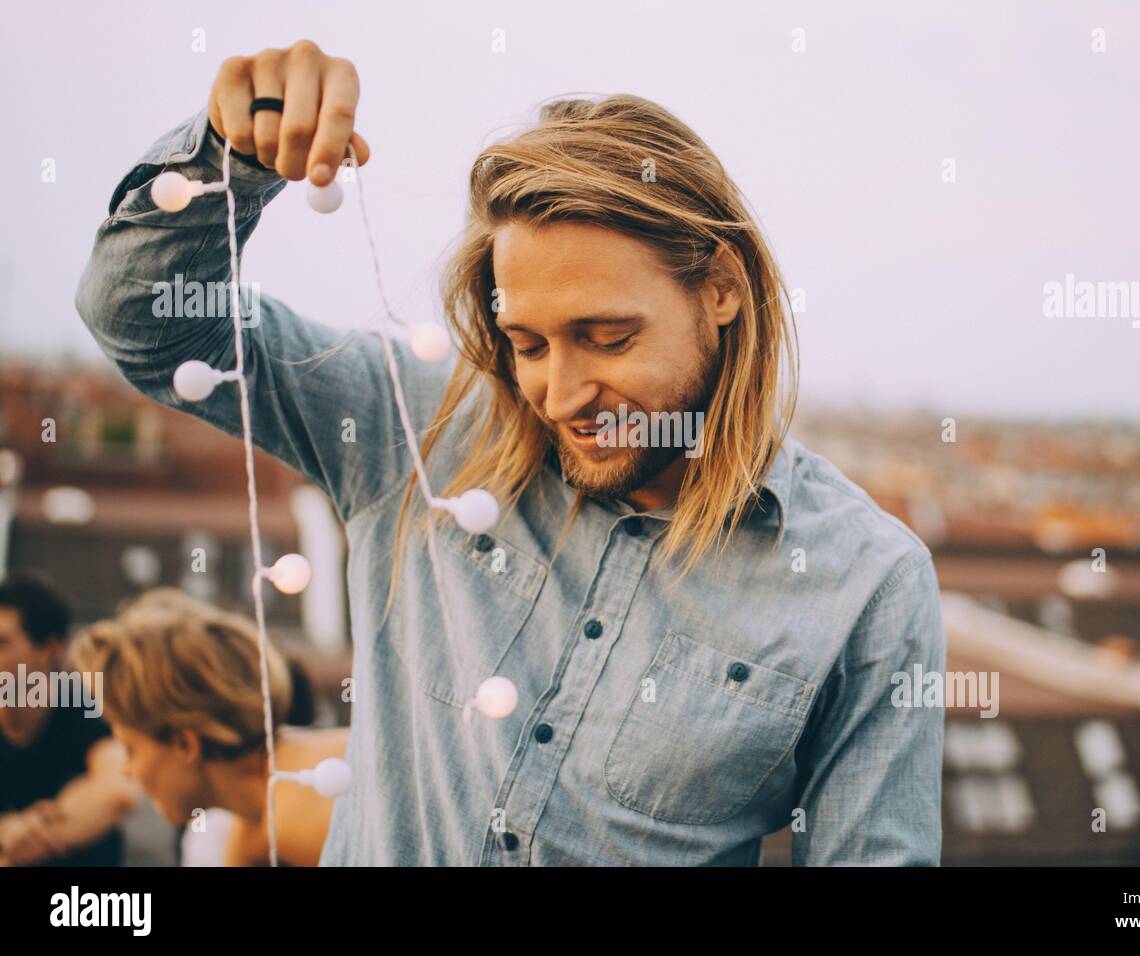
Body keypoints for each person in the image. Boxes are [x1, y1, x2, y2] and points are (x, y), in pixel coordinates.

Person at [74, 41, 946, 865]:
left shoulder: (866, 582)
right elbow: (143, 324)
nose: (561, 395)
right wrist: (226, 155)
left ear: (721, 288)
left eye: (606, 338)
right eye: (529, 345)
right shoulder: (415, 429)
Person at [70, 589, 347, 867]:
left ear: (185, 744)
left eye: (131, 749)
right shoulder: (256, 822)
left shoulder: (302, 811)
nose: (127, 770)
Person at [0, 572, 137, 866]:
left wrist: (25, 834)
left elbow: (117, 790)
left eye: (3, 643)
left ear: (49, 649)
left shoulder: (83, 705)